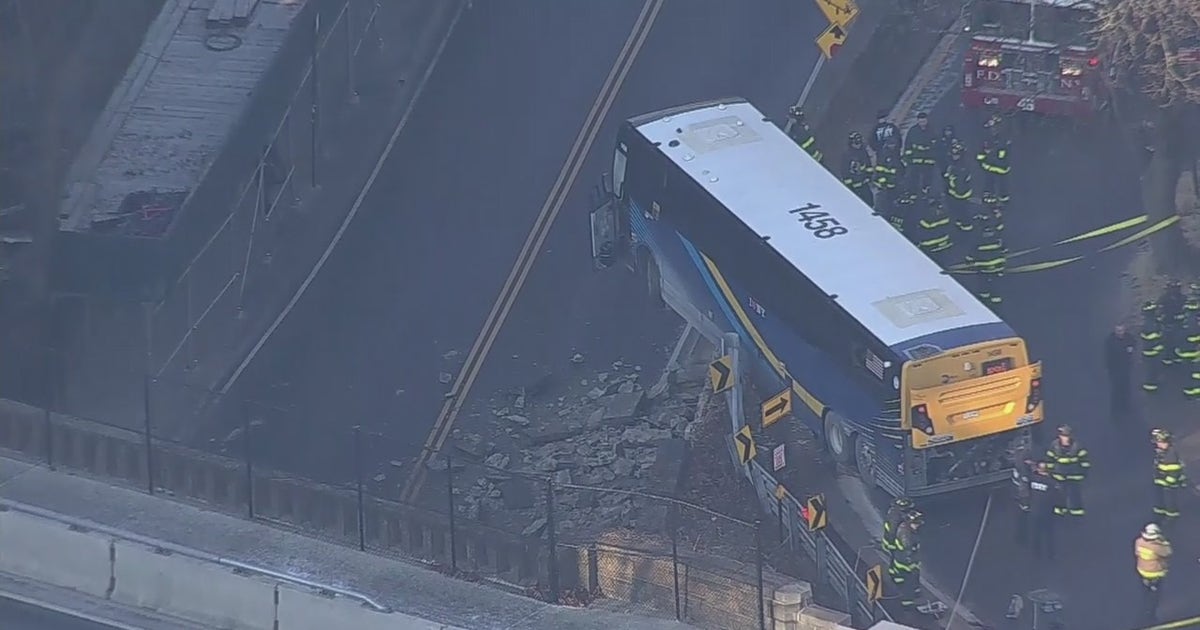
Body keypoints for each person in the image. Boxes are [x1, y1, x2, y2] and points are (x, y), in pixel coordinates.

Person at [1045, 425, 1090, 517]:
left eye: (1067, 436)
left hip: (1074, 476)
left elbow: (1085, 461)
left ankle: (1076, 512)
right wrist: (1050, 473)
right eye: (1064, 436)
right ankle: (1060, 512)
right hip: (1059, 476)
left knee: (1075, 496)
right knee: (1060, 496)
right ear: (1060, 436)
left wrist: (1083, 473)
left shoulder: (1077, 446)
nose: (1066, 438)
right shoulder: (1054, 446)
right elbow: (1050, 459)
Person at [970, 194, 1006, 307]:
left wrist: (969, 260)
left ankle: (984, 297)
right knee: (995, 283)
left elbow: (973, 250)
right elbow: (1002, 246)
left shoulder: (978, 237)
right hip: (997, 264)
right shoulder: (996, 235)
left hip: (983, 265)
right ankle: (996, 298)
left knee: (983, 283)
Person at [1134, 523, 1172, 625]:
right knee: (1155, 594)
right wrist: (1164, 542)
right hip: (1155, 572)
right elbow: (1168, 552)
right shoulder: (1157, 546)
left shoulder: (1138, 542)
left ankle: (1147, 587)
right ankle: (1152, 609)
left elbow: (1137, 554)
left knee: (1145, 589)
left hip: (1142, 570)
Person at [889, 510, 924, 610]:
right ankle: (907, 605)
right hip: (905, 564)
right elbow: (908, 551)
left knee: (908, 582)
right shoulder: (906, 535)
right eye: (916, 524)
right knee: (908, 584)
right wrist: (913, 565)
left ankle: (912, 595)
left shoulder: (905, 529)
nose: (917, 526)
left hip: (903, 562)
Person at [1151, 428, 1186, 523]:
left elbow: (1173, 471)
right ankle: (1160, 515)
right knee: (1161, 501)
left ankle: (1172, 519)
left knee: (1170, 503)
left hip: (1169, 485)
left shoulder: (1171, 454)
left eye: (1160, 442)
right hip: (1161, 483)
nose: (1158, 444)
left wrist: (1168, 484)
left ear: (1166, 442)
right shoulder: (1161, 452)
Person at [1027, 461, 1059, 559]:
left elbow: (1029, 491)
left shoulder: (1032, 479)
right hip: (1046, 512)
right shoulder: (1050, 482)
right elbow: (1055, 497)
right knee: (1048, 535)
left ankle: (1036, 554)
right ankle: (1050, 555)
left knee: (1036, 534)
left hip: (1034, 511)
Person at [977, 115, 1011, 204]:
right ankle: (991, 196)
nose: (993, 129)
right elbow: (982, 151)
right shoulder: (988, 138)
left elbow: (1001, 155)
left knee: (1000, 182)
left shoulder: (1002, 139)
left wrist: (989, 153)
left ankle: (1002, 197)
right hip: (990, 165)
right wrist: (982, 159)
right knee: (990, 181)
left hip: (999, 166)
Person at [943, 142, 974, 235]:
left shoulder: (962, 167)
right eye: (953, 154)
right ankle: (960, 222)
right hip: (955, 192)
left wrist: (950, 177)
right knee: (958, 209)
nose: (954, 156)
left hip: (961, 193)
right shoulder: (955, 164)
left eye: (956, 155)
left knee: (963, 209)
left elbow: (959, 183)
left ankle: (966, 225)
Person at [1105, 324, 1136, 419]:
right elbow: (1107, 355)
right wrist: (1109, 368)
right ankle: (1116, 408)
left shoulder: (1128, 338)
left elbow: (1134, 343)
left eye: (1121, 330)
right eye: (1118, 331)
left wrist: (1131, 348)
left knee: (1125, 388)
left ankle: (1125, 406)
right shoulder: (1110, 341)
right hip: (1115, 368)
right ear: (1115, 331)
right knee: (1116, 389)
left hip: (1125, 367)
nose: (1120, 333)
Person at [903, 112, 937, 192]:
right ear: (917, 121)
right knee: (914, 176)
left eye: (924, 121)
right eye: (921, 121)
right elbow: (908, 144)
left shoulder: (932, 130)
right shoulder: (913, 131)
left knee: (928, 176)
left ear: (927, 120)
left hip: (928, 159)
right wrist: (907, 158)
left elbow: (936, 144)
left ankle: (926, 189)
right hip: (916, 159)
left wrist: (934, 156)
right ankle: (913, 191)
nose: (922, 123)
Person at [916, 186, 952, 261]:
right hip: (943, 243)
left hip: (928, 245)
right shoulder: (946, 213)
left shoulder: (927, 215)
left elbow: (924, 226)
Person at [842, 132, 874, 206]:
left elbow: (868, 165)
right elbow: (845, 171)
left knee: (870, 202)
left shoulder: (863, 151)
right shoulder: (847, 155)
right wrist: (850, 185)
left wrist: (869, 176)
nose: (858, 145)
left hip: (864, 184)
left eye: (859, 142)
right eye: (856, 143)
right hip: (854, 187)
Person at [1141, 300, 1166, 393]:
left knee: (1152, 369)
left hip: (1150, 351)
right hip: (1151, 351)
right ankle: (1150, 386)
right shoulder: (1150, 324)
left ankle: (1152, 384)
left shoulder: (1150, 321)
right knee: (1151, 370)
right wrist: (1160, 345)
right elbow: (1152, 338)